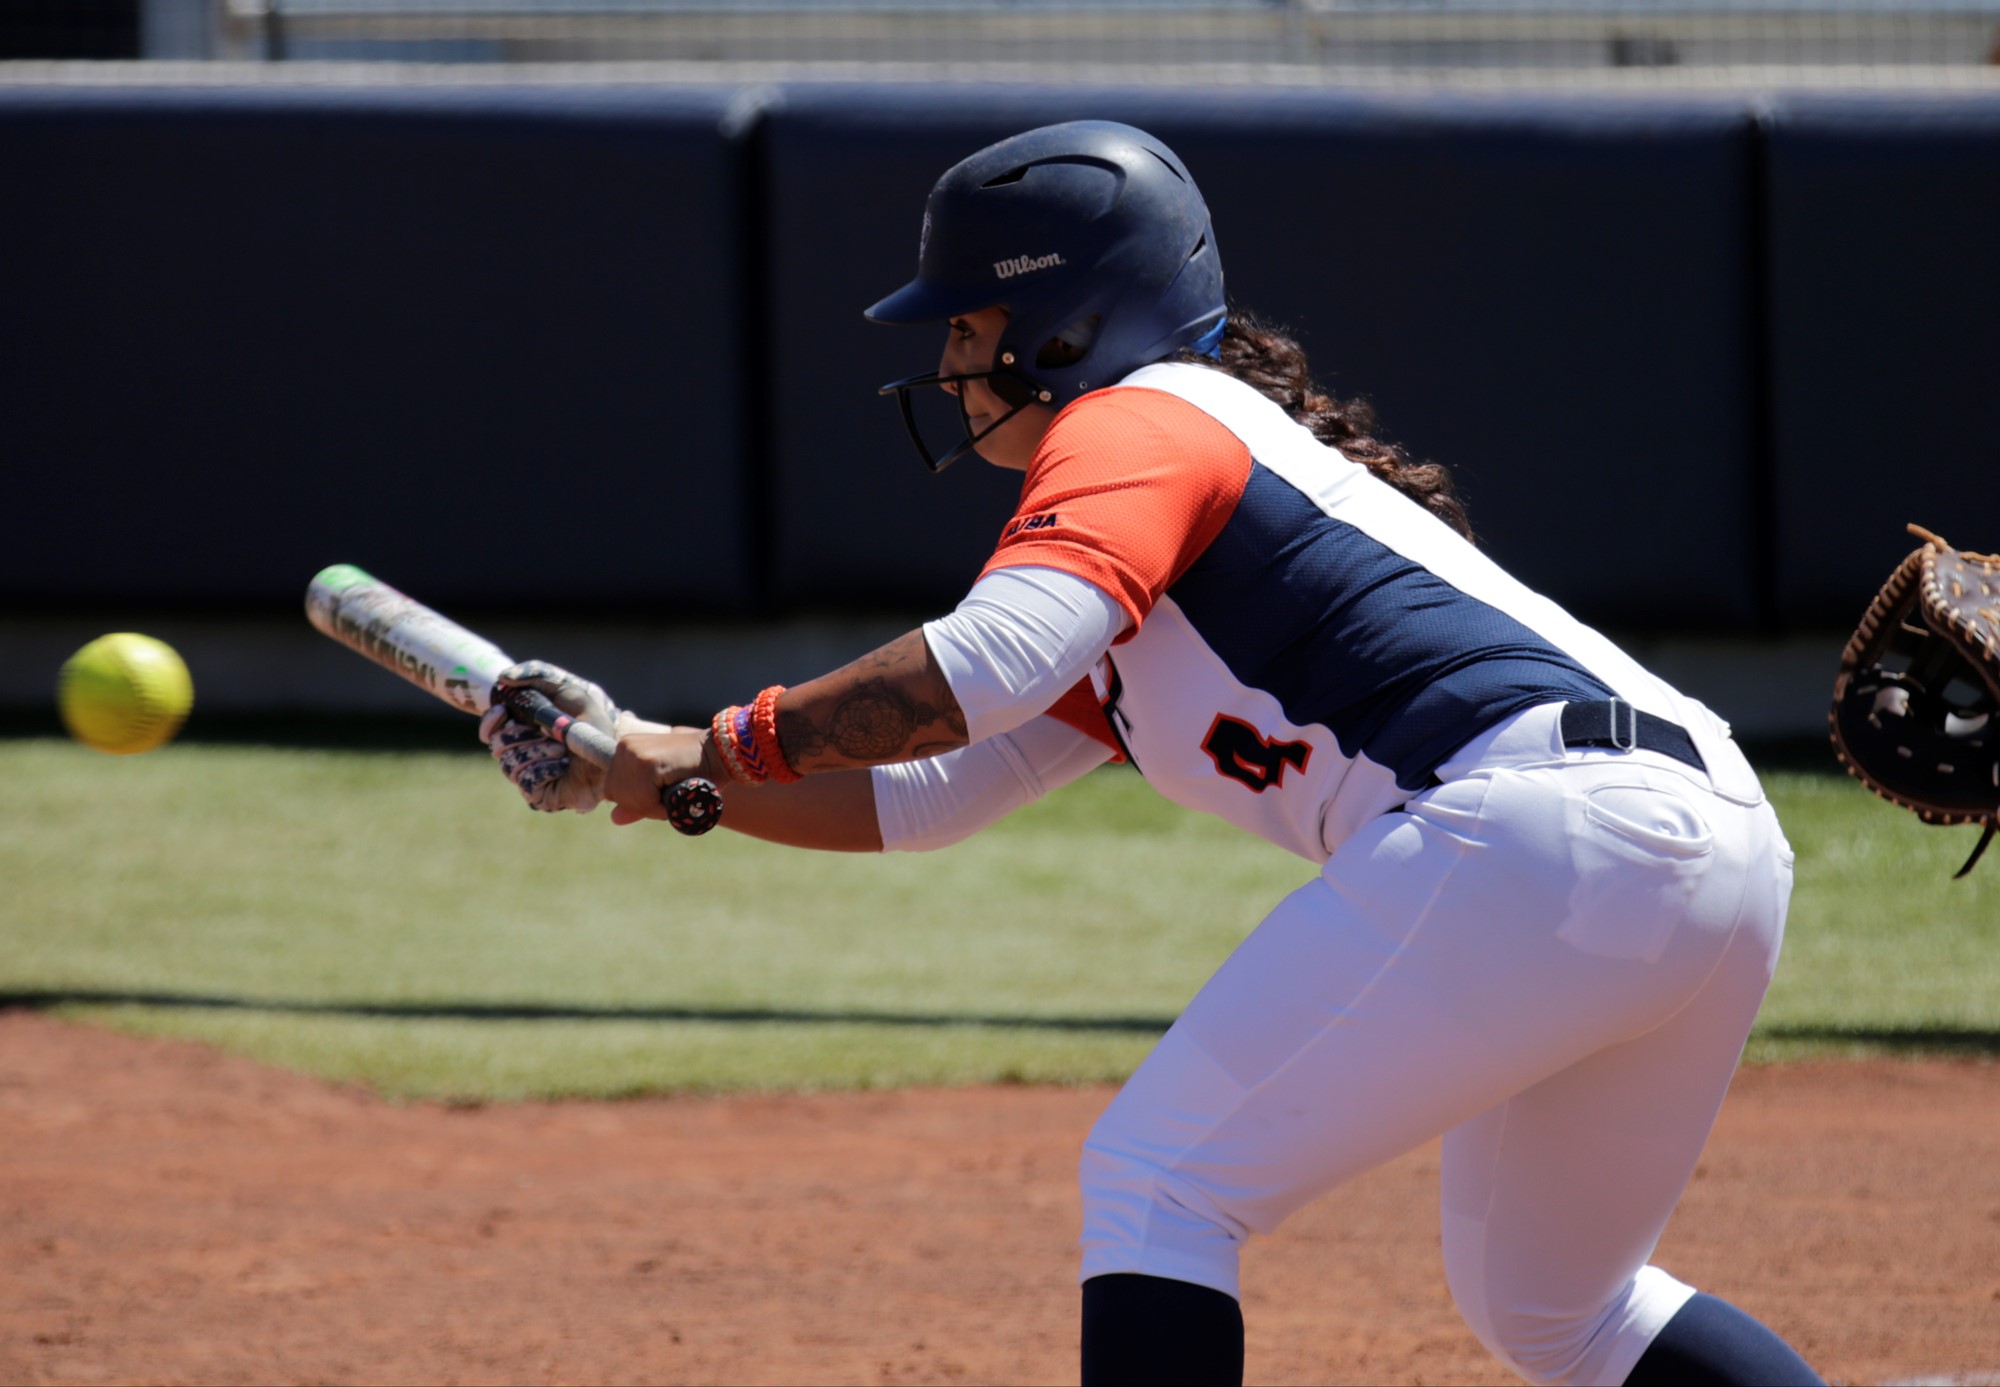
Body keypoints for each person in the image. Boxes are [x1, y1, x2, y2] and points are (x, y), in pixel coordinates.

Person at [481, 120, 1823, 1387]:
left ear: (1068, 323)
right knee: (1560, 1311)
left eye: (971, 321)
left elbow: (980, 669)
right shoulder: (1187, 489)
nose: (952, 362)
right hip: (1711, 845)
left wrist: (718, 737)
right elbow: (931, 790)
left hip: (1545, 829)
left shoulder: (1137, 420)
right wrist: (657, 777)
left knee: (1160, 1184)